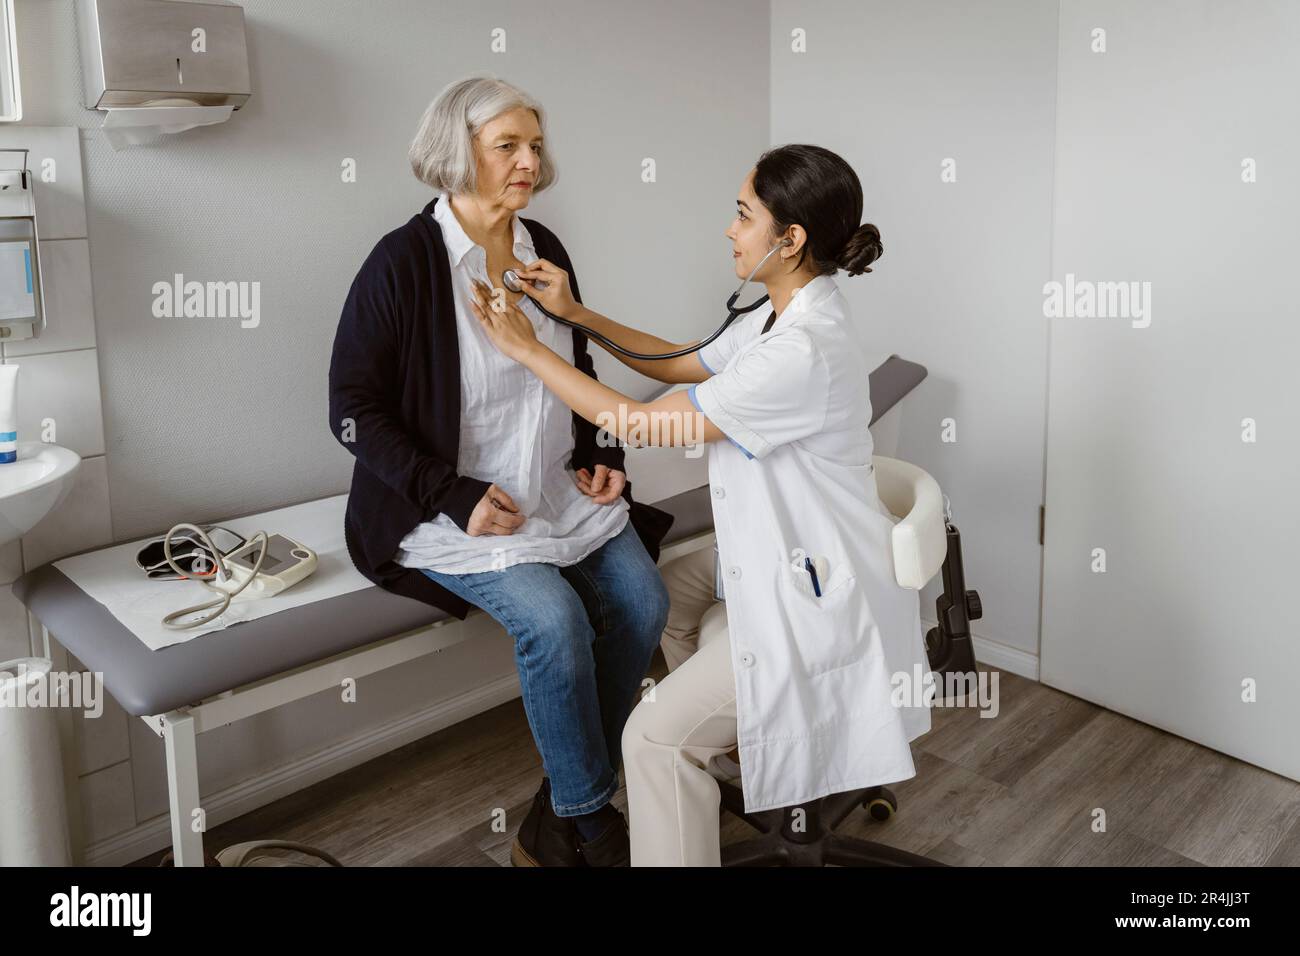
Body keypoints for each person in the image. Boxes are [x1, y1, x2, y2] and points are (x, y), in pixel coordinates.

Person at [467, 143, 932, 866]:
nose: (729, 229)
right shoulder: (780, 316)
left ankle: (693, 758)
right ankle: (736, 755)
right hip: (792, 558)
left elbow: (646, 423)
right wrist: (574, 312)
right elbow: (679, 361)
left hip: (813, 606)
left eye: (743, 214)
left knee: (647, 741)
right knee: (664, 595)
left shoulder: (800, 351)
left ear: (790, 239)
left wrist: (531, 349)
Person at [327, 76, 673, 868]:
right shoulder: (403, 263)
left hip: (551, 486)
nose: (530, 161)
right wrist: (449, 494)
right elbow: (350, 407)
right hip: (454, 508)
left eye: (536, 145)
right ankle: (590, 820)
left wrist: (600, 452)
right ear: (459, 153)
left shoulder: (541, 247)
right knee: (553, 623)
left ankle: (556, 812)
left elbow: (573, 358)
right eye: (507, 146)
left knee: (643, 601)